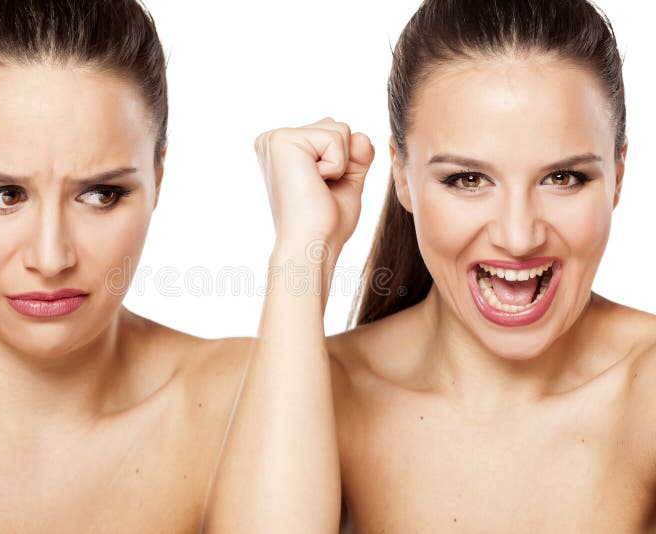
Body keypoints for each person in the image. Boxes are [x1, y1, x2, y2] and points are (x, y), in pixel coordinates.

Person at [209, 0, 656, 532]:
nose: (518, 236)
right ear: (402, 176)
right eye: (467, 179)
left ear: (618, 176)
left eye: (563, 178)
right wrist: (303, 249)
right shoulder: (315, 387)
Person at [0, 1, 248, 532]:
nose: (50, 257)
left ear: (159, 173)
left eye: (101, 194)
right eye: (0, 195)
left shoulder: (246, 399)